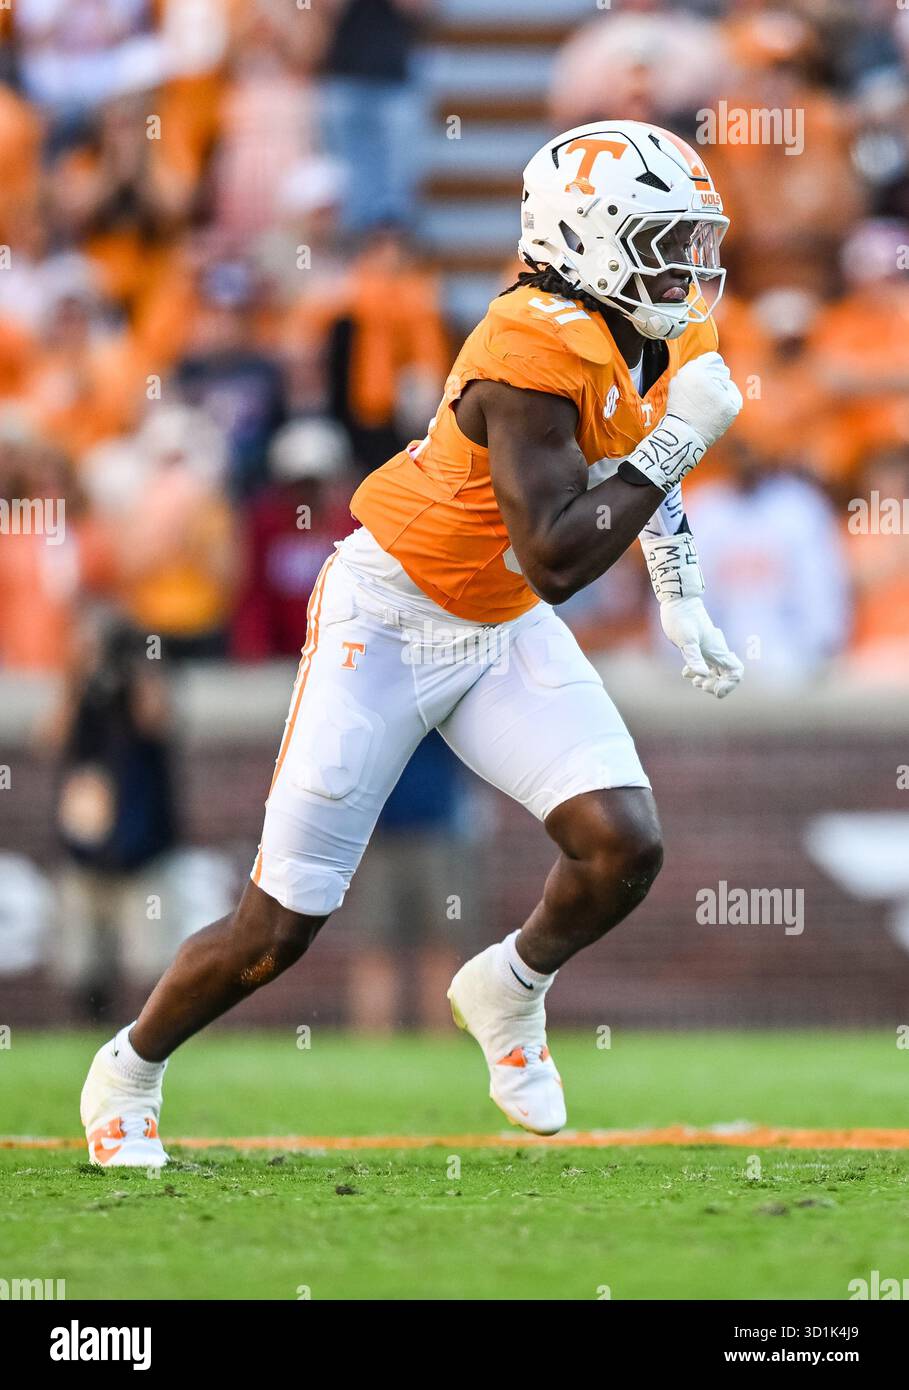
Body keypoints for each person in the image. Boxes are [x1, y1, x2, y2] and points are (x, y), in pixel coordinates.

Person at [80, 120, 744, 1166]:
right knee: (277, 928)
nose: (688, 267)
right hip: (392, 617)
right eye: (664, 240)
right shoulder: (525, 348)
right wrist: (679, 443)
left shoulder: (651, 323)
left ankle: (509, 986)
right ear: (588, 238)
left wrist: (683, 592)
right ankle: (130, 1064)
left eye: (693, 240)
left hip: (497, 620)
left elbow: (626, 458)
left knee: (625, 844)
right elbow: (560, 556)